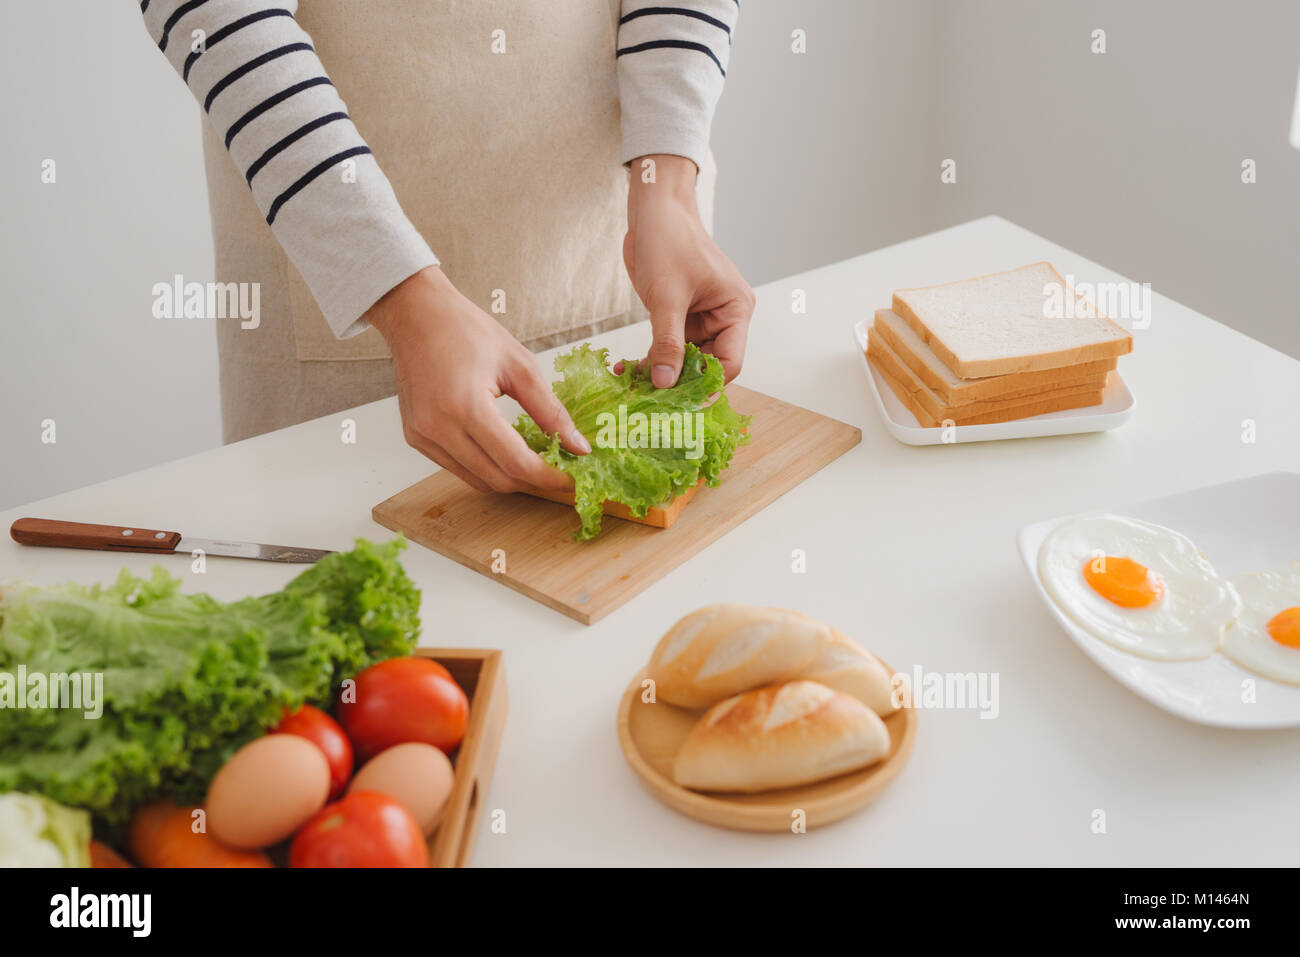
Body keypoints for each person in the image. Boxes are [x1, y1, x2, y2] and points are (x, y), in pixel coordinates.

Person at [140, 0, 754, 494]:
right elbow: (216, 13)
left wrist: (667, 188)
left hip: (611, 249)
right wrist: (395, 291)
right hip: (343, 270)